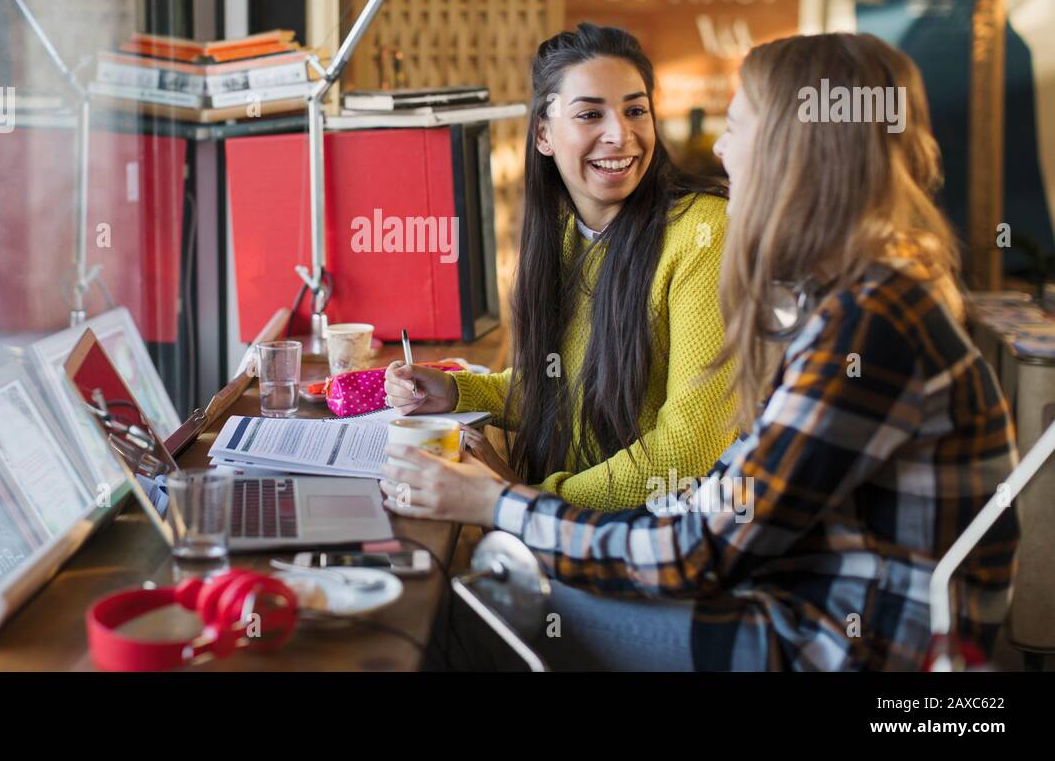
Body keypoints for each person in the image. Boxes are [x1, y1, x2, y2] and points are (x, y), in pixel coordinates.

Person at [384, 33, 1020, 670]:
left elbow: (697, 545)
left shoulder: (871, 324)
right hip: (793, 596)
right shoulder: (857, 299)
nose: (717, 148)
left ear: (796, 152)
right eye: (591, 113)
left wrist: (504, 505)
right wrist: (500, 456)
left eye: (736, 124)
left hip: (836, 647)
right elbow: (727, 498)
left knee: (470, 609)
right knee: (500, 589)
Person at [386, 24, 737, 511]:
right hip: (562, 527)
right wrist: (454, 390)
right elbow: (563, 388)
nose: (621, 134)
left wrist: (524, 501)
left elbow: (688, 448)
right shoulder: (567, 231)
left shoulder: (703, 231)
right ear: (544, 135)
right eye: (591, 114)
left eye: (636, 110)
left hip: (646, 542)